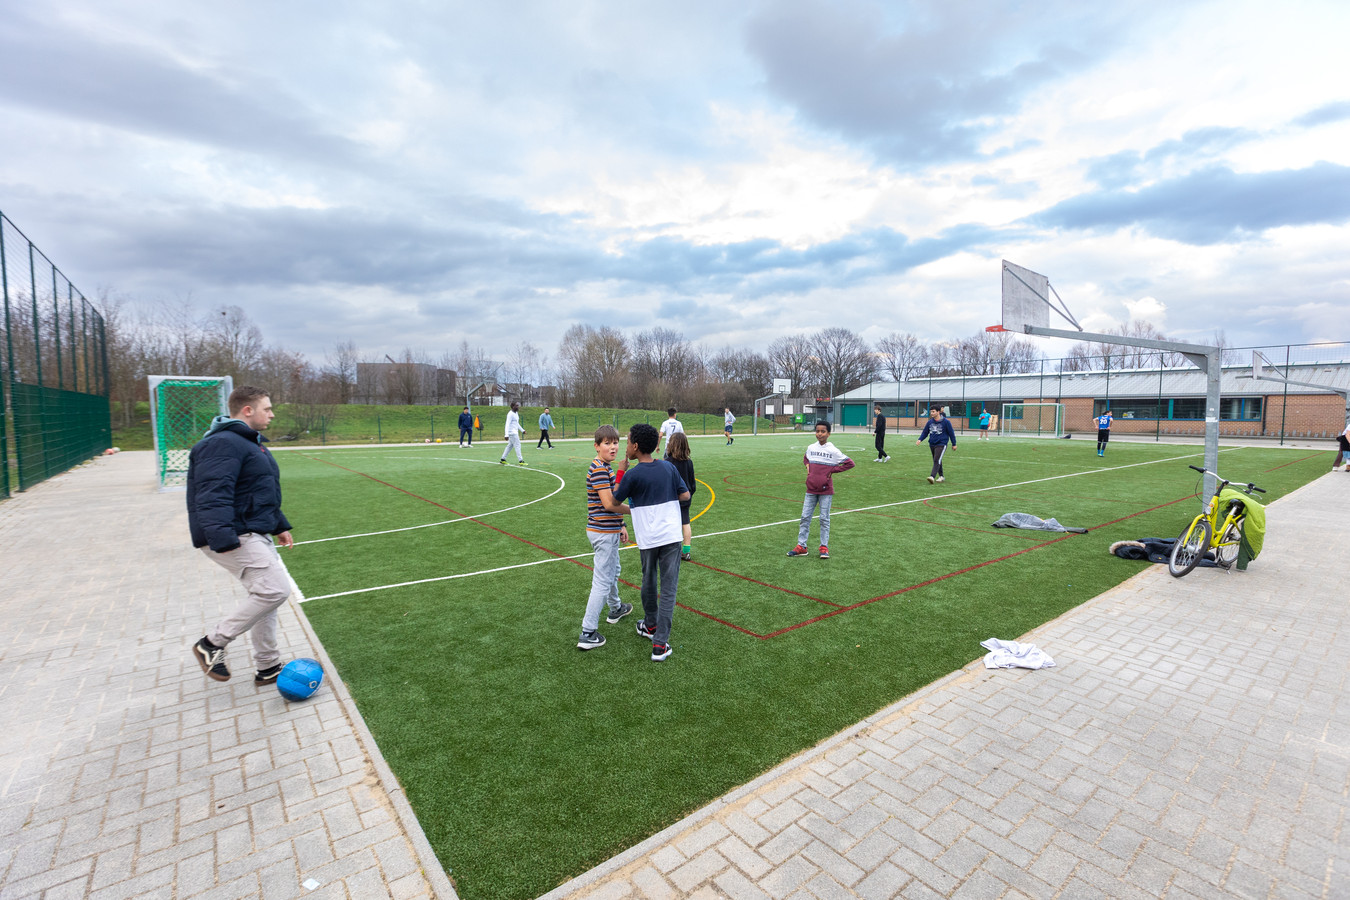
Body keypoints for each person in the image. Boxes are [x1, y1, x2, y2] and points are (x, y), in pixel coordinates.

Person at [187, 385, 295, 684]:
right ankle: (211, 644)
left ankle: (268, 665)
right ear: (248, 410)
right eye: (267, 408)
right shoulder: (223, 444)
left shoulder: (249, 442)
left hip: (254, 530)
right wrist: (222, 538)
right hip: (235, 533)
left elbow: (259, 490)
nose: (271, 414)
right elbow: (212, 495)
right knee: (274, 590)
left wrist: (278, 524)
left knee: (265, 596)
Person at [612, 423, 689, 662]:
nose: (625, 446)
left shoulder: (633, 474)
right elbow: (685, 495)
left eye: (626, 442)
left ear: (635, 446)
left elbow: (614, 501)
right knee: (668, 588)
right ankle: (660, 643)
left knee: (648, 580)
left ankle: (652, 625)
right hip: (671, 536)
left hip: (647, 538)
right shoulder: (667, 468)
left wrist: (621, 471)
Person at [577, 425, 633, 650]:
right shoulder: (600, 469)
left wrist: (621, 524)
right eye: (607, 443)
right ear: (597, 446)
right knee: (602, 579)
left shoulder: (606, 467)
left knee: (612, 571)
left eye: (615, 442)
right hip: (602, 532)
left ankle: (616, 607)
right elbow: (610, 504)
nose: (613, 447)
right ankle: (587, 632)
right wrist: (636, 510)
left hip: (607, 528)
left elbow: (612, 498)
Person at [787, 421, 854, 559]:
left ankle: (824, 547)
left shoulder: (833, 450)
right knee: (805, 517)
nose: (819, 434)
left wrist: (832, 470)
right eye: (817, 431)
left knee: (824, 519)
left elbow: (849, 463)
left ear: (829, 433)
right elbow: (806, 458)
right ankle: (802, 546)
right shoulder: (811, 447)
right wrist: (808, 467)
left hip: (825, 491)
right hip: (810, 489)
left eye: (823, 431)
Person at [664, 432, 697, 560]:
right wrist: (689, 495)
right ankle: (686, 551)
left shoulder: (667, 462)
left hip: (672, 499)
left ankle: (671, 551)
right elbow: (692, 483)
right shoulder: (689, 462)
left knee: (670, 524)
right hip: (686, 497)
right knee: (685, 523)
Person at [916, 406, 956, 484]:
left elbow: (951, 433)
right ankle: (941, 476)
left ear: (938, 412)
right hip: (932, 444)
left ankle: (932, 476)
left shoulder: (946, 422)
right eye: (931, 412)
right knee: (937, 460)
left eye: (933, 411)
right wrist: (920, 439)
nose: (932, 413)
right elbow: (925, 432)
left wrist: (954, 444)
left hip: (942, 444)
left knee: (936, 460)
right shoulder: (930, 422)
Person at [500, 401, 526, 465]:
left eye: (518, 405)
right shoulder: (510, 414)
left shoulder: (516, 413)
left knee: (509, 446)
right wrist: (506, 434)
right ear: (512, 407)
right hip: (512, 433)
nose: (518, 407)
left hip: (515, 432)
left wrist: (522, 430)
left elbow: (516, 423)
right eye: (516, 405)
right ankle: (521, 461)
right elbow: (507, 424)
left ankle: (503, 459)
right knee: (517, 445)